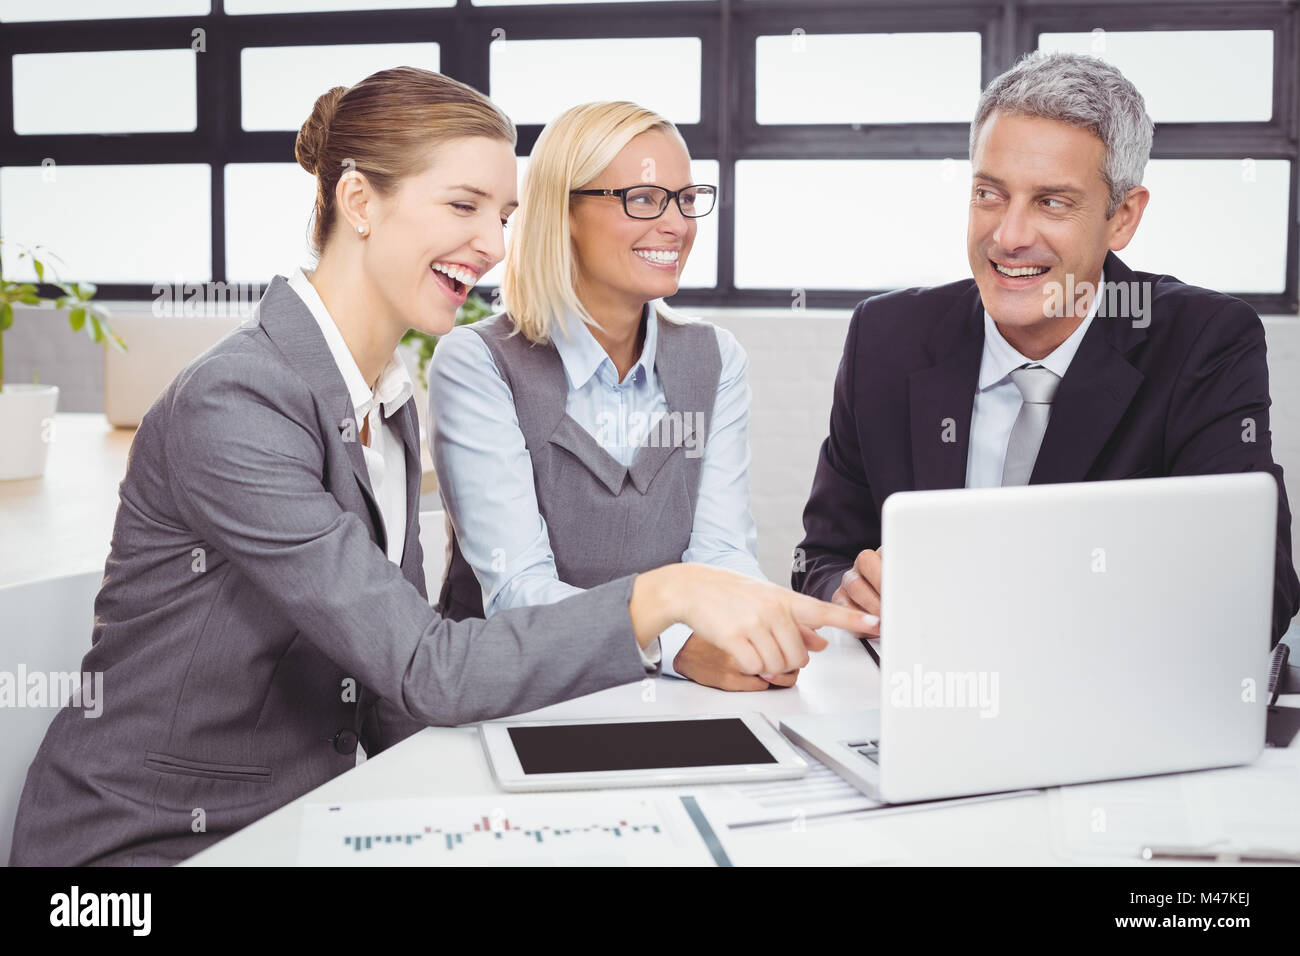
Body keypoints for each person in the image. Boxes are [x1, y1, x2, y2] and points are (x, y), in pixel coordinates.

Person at [9, 68, 872, 867]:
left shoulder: (386, 399)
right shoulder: (236, 402)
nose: (493, 244)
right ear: (358, 199)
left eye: (501, 214)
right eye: (463, 206)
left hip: (309, 822)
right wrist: (667, 595)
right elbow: (426, 664)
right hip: (139, 850)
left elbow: (391, 693)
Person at [793, 51, 1300, 648]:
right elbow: (817, 561)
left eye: (1052, 202)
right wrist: (847, 590)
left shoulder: (1202, 341)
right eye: (989, 193)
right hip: (915, 701)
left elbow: (1257, 591)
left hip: (1101, 710)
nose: (1008, 237)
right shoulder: (886, 335)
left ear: (1123, 219)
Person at [430, 101, 785, 691]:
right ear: (564, 212)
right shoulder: (479, 362)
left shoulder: (715, 360)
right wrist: (677, 647)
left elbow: (722, 552)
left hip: (672, 703)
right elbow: (518, 593)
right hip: (515, 700)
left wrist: (751, 629)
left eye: (685, 198)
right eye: (643, 199)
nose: (677, 224)